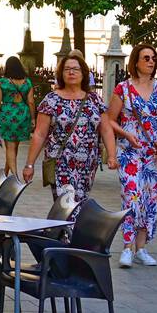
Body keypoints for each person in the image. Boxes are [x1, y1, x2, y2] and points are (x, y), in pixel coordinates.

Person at [105, 43, 157, 267]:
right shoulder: (123, 89)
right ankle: (127, 247)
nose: (151, 61)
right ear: (135, 61)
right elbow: (109, 119)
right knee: (131, 196)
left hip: (155, 152)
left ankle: (142, 248)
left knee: (150, 200)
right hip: (130, 151)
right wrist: (126, 133)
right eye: (146, 58)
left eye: (154, 58)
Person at [23, 53, 117, 216]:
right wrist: (29, 164)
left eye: (75, 69)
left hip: (87, 164)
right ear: (61, 74)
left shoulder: (94, 100)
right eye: (67, 69)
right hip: (61, 162)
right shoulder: (51, 100)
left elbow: (106, 129)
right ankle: (67, 238)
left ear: (83, 74)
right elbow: (39, 134)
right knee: (66, 203)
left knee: (80, 203)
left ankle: (65, 237)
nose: (71, 72)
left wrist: (111, 156)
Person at [0, 55, 36, 177]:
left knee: (10, 147)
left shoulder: (2, 82)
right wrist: (33, 118)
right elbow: (31, 102)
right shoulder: (27, 82)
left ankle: (15, 177)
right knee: (14, 147)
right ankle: (6, 173)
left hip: (7, 115)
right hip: (23, 115)